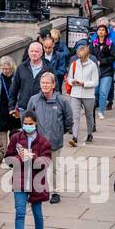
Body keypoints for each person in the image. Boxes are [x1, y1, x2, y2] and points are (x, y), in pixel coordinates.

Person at [5, 109, 52, 229]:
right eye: (25, 123)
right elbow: (8, 158)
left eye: (30, 124)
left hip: (37, 183)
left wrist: (33, 157)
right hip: (20, 182)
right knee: (20, 213)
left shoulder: (43, 141)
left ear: (35, 123)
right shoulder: (16, 138)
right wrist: (21, 158)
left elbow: (46, 162)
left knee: (37, 213)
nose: (27, 126)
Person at [25, 69, 72, 204]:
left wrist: (59, 132)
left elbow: (69, 120)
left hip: (54, 141)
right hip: (37, 141)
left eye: (47, 83)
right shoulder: (34, 100)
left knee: (55, 168)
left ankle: (56, 192)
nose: (44, 85)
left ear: (53, 85)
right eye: (42, 83)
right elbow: (28, 118)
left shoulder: (62, 101)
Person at [65, 41, 98, 147]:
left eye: (83, 57)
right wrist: (72, 81)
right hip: (75, 93)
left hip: (88, 94)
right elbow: (69, 78)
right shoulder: (74, 63)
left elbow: (95, 82)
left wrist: (84, 83)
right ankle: (74, 137)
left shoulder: (93, 65)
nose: (81, 59)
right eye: (80, 57)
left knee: (89, 115)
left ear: (88, 55)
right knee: (75, 116)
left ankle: (90, 133)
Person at [89, 22, 115, 122]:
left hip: (107, 71)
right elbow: (89, 55)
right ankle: (94, 106)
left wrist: (102, 61)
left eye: (103, 30)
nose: (101, 31)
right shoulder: (93, 43)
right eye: (99, 30)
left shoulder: (110, 43)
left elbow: (113, 57)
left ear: (106, 32)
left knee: (103, 92)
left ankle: (101, 111)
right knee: (96, 91)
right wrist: (94, 62)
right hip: (95, 71)